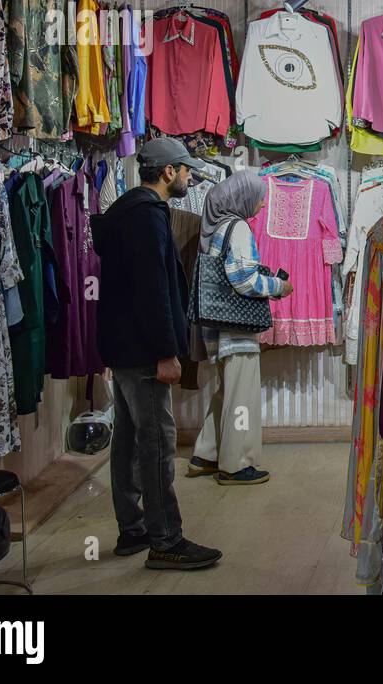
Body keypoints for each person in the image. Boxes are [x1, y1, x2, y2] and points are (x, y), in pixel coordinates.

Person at [91, 136, 222, 570]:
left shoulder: (125, 211)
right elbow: (153, 291)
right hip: (145, 352)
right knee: (158, 444)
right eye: (186, 170)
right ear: (168, 172)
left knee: (128, 441)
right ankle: (166, 540)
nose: (189, 177)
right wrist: (168, 352)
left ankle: (134, 529)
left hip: (124, 348)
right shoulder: (147, 217)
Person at [187, 169, 292, 485]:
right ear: (243, 198)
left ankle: (206, 454)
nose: (262, 204)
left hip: (218, 329)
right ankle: (236, 465)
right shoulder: (239, 229)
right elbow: (244, 279)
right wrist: (278, 286)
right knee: (242, 397)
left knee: (227, 393)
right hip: (238, 330)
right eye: (259, 197)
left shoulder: (217, 227)